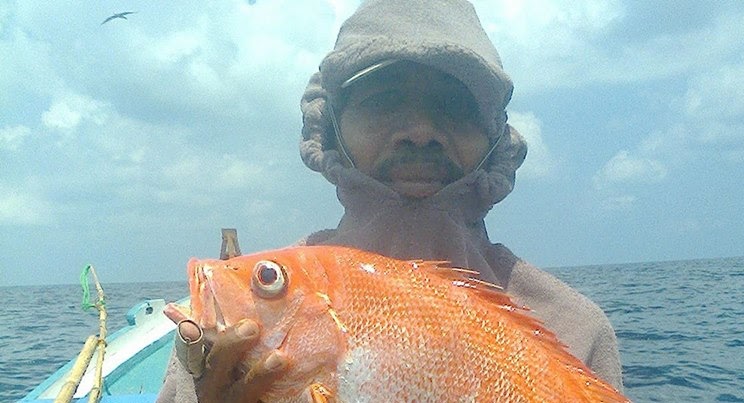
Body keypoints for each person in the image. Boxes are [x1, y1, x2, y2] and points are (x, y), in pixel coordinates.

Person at [158, 1, 624, 401]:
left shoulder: (577, 331)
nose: (419, 132)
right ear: (331, 131)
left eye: (455, 105)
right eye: (383, 100)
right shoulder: (216, 350)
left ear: (495, 137)